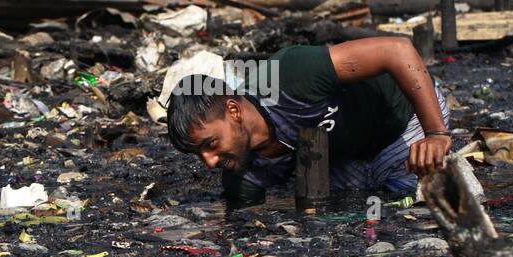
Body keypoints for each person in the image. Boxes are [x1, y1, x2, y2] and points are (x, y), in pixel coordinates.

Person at [166, 37, 452, 207]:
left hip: (401, 118)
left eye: (211, 144)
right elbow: (243, 223)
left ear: (233, 110)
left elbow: (397, 50)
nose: (210, 162)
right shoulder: (243, 170)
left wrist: (435, 133)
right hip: (347, 155)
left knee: (418, 201)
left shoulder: (289, 75)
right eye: (199, 154)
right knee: (348, 203)